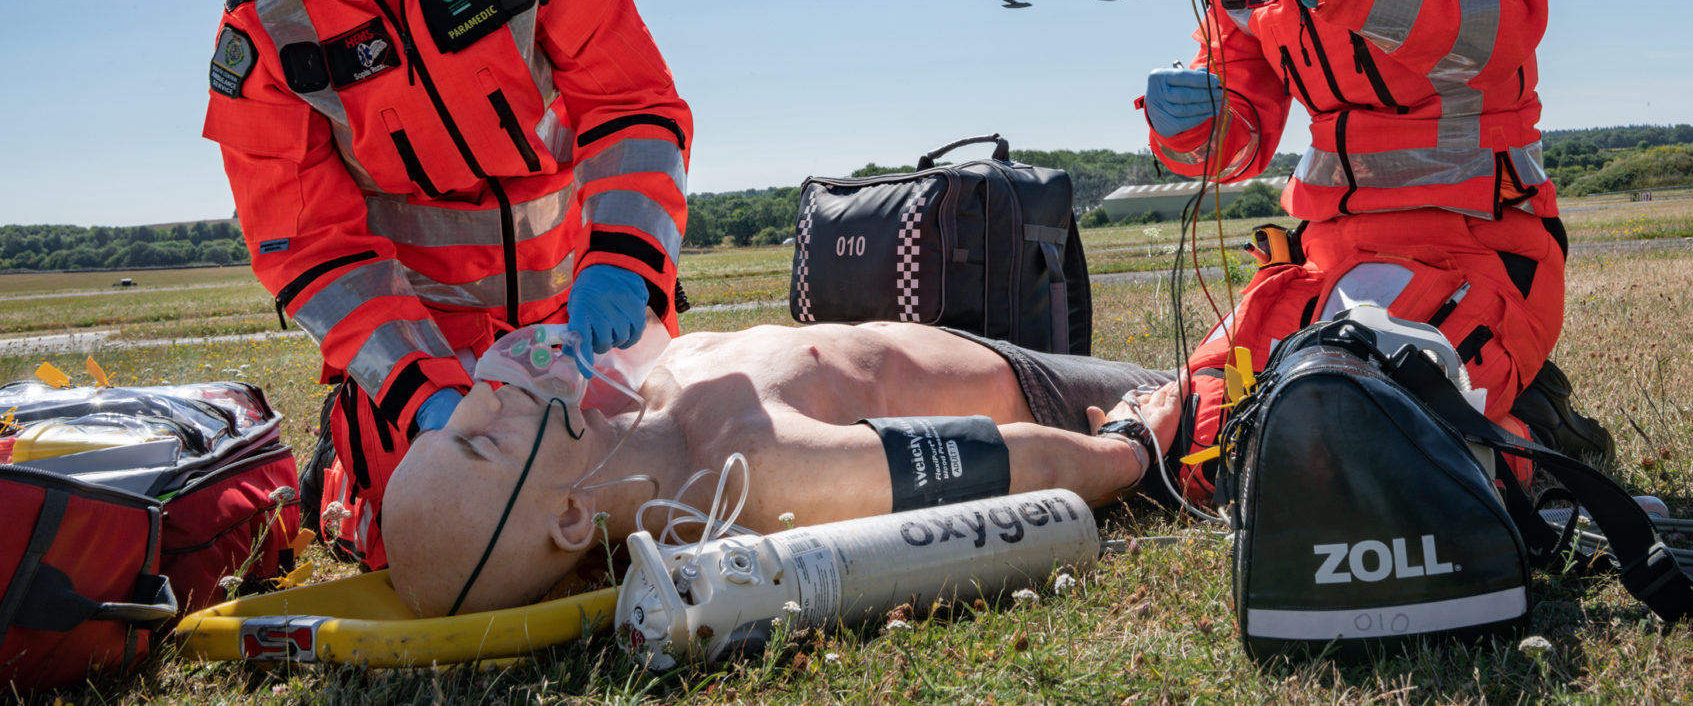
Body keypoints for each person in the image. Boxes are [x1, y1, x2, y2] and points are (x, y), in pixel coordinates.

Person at [173, 0, 694, 568]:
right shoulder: (263, 34)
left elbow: (633, 106)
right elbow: (304, 244)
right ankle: (348, 476)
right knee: (435, 547)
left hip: (593, 320)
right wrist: (422, 391)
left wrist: (626, 264)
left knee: (657, 511)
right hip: (428, 360)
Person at [1140, 0, 1609, 503]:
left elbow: (1501, 24)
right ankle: (1504, 402)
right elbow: (1239, 144)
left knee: (1371, 440)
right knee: (1204, 445)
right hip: (1325, 263)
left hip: (1477, 252)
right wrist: (1188, 122)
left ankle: (1523, 427)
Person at [380, 321, 1175, 615]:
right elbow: (1016, 461)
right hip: (1040, 387)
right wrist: (1135, 444)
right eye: (483, 441)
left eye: (459, 421)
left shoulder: (632, 406)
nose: (486, 401)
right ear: (569, 519)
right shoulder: (760, 469)